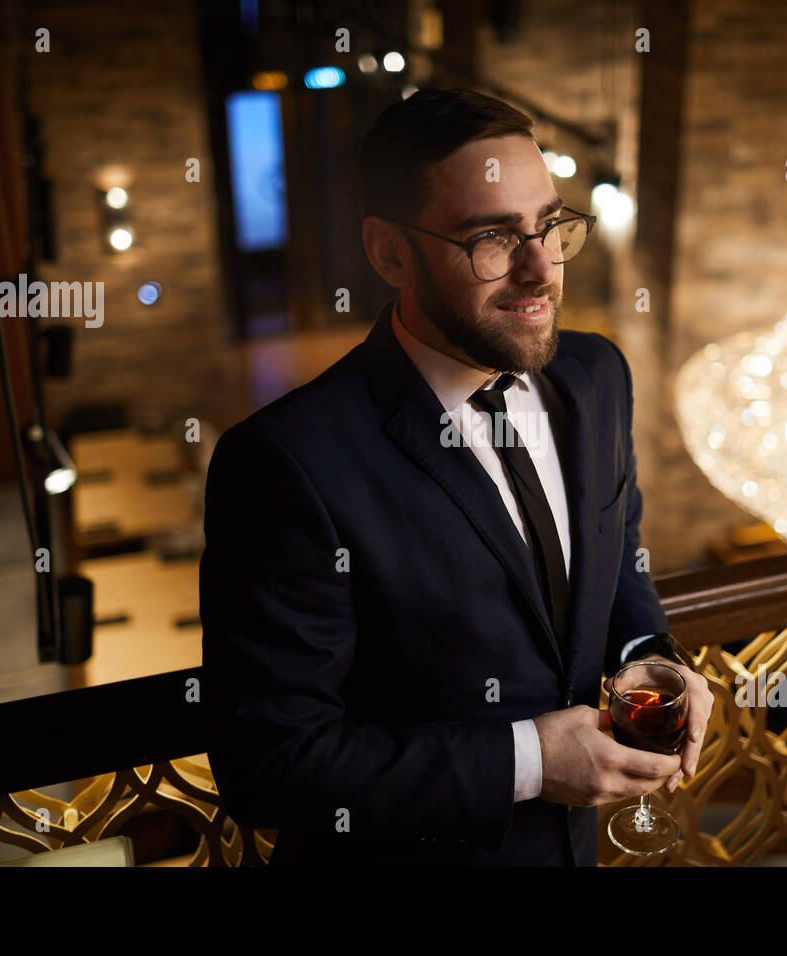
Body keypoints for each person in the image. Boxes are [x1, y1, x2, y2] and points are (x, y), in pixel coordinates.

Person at [200, 87, 712, 866]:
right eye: (492, 239)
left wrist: (653, 656)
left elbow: (621, 545)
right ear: (389, 253)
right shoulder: (284, 462)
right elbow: (273, 766)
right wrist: (533, 763)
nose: (541, 271)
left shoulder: (598, 373)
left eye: (550, 226)